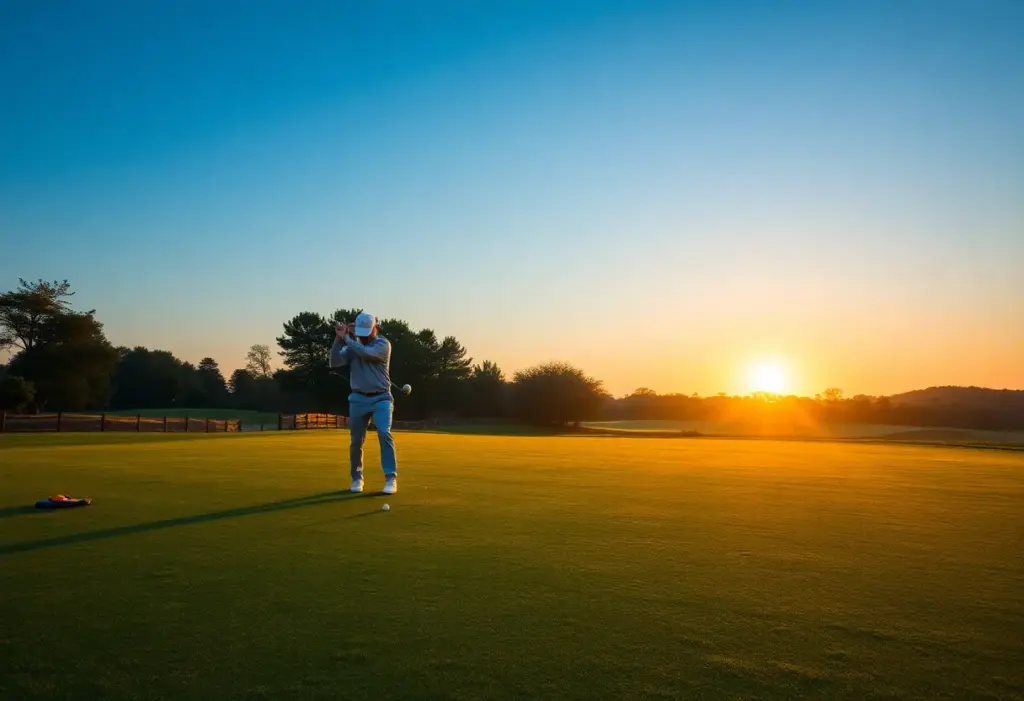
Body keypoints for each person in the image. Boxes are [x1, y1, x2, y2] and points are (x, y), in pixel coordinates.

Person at [329, 311, 398, 494]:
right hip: (358, 398)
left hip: (381, 397)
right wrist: (338, 339)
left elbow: (367, 354)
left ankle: (391, 478)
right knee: (356, 441)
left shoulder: (383, 344)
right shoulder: (352, 346)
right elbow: (334, 362)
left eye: (367, 331)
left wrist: (348, 339)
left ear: (375, 328)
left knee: (384, 433)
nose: (364, 335)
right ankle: (356, 478)